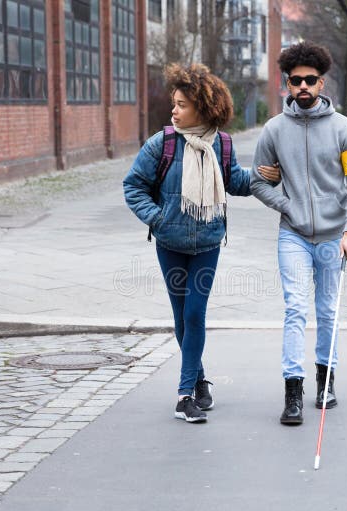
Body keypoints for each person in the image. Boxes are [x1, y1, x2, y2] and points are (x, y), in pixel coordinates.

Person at [124, 63, 281, 424]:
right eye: (174, 103)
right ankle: (198, 380)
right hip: (170, 243)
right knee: (182, 318)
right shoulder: (161, 144)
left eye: (181, 104)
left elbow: (235, 182)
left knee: (195, 314)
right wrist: (158, 217)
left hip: (207, 244)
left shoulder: (220, 145)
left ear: (202, 108)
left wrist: (263, 176)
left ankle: (184, 396)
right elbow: (133, 186)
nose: (174, 110)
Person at [249, 41, 347, 425]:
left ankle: (326, 382)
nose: (303, 86)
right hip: (294, 235)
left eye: (310, 80)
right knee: (296, 308)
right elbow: (257, 181)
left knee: (328, 311)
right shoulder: (273, 130)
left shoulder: (344, 128)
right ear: (287, 83)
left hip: (335, 236)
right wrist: (286, 205)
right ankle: (293, 392)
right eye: (295, 80)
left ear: (322, 83)